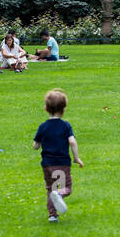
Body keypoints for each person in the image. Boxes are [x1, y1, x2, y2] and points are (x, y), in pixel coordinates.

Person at [35, 89, 82, 223]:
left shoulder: (43, 126)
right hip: (61, 163)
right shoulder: (65, 126)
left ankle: (52, 215)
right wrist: (76, 158)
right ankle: (59, 194)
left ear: (46, 108)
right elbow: (72, 141)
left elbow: (35, 145)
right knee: (64, 189)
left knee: (51, 188)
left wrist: (39, 144)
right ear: (64, 109)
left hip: (47, 164)